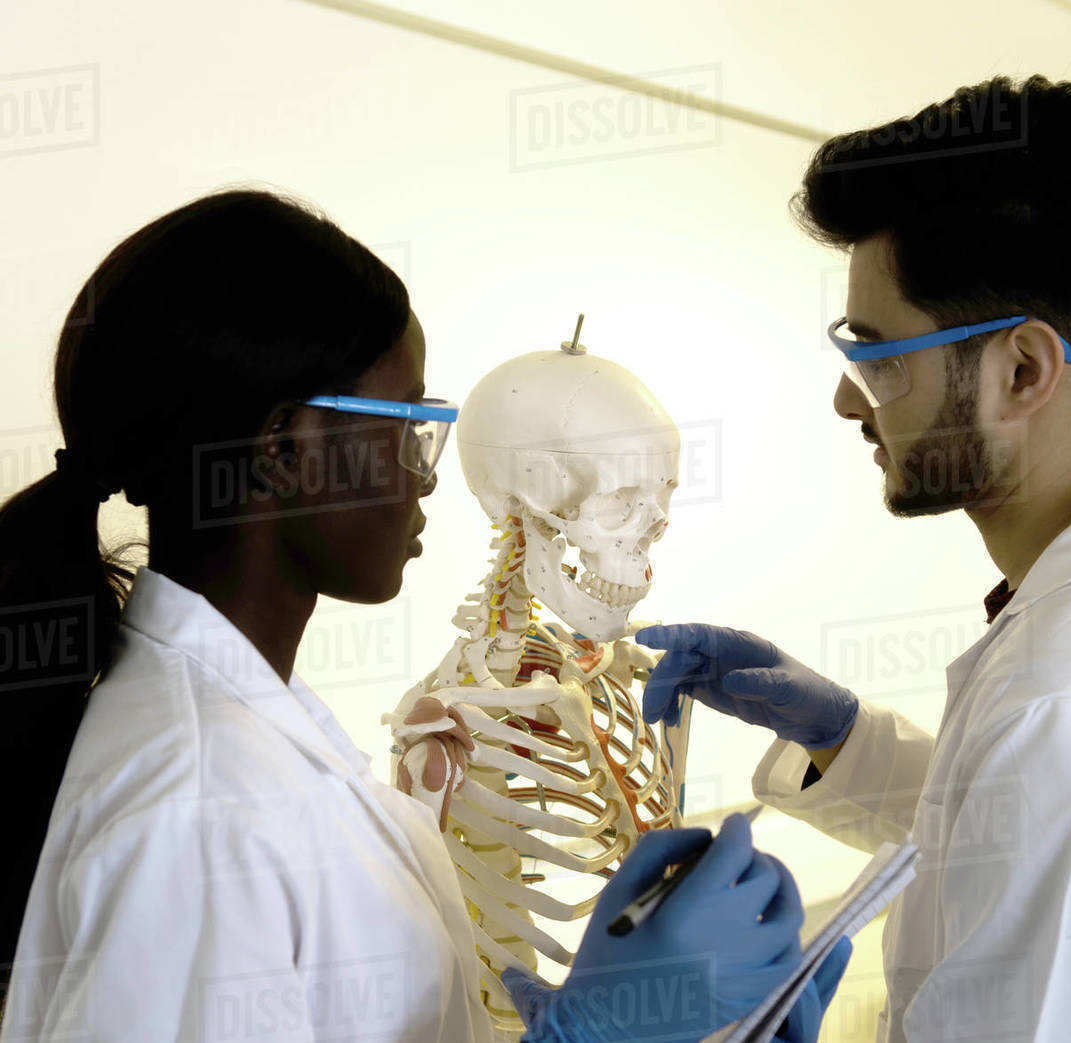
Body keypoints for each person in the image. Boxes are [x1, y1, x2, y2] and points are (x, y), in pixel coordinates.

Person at [0, 187, 848, 1042]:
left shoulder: (250, 742)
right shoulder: (200, 811)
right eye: (410, 424)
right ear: (286, 446)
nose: (428, 474)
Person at [639, 73, 1071, 1041]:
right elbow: (1026, 831)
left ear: (1022, 369)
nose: (850, 402)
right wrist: (847, 742)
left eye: (878, 354)